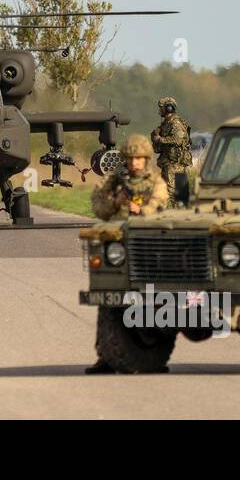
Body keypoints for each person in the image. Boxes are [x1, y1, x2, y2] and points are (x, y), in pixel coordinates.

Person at [85, 134, 168, 374]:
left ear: (146, 159)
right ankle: (105, 356)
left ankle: (152, 355)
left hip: (147, 246)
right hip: (118, 246)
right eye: (131, 159)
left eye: (139, 159)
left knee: (153, 300)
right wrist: (115, 201)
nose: (135, 164)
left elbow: (159, 207)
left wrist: (139, 209)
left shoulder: (156, 182)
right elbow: (99, 208)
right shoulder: (114, 182)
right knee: (109, 303)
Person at [150, 96, 192, 186]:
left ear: (168, 108)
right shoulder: (166, 123)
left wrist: (160, 139)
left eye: (161, 108)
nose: (160, 110)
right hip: (169, 163)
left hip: (176, 164)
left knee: (172, 192)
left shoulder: (176, 123)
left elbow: (178, 140)